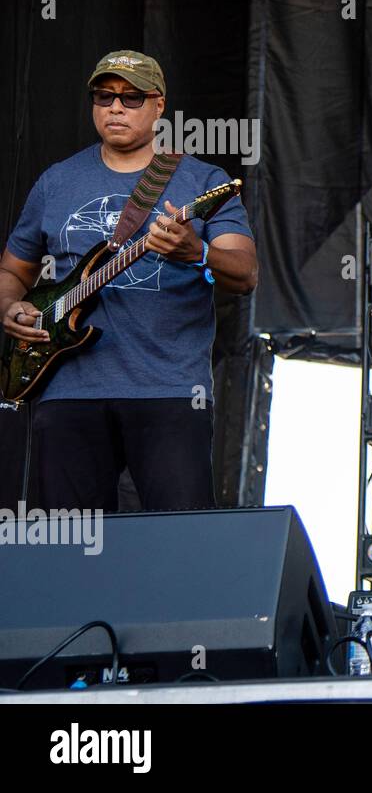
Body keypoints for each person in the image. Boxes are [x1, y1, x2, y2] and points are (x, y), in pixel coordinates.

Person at [0, 50, 256, 511]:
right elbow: (12, 271)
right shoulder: (56, 182)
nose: (115, 107)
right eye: (104, 96)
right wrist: (10, 308)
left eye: (131, 98)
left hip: (170, 390)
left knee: (179, 542)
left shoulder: (202, 179)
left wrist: (195, 251)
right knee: (72, 546)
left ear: (159, 106)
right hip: (67, 389)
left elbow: (245, 273)